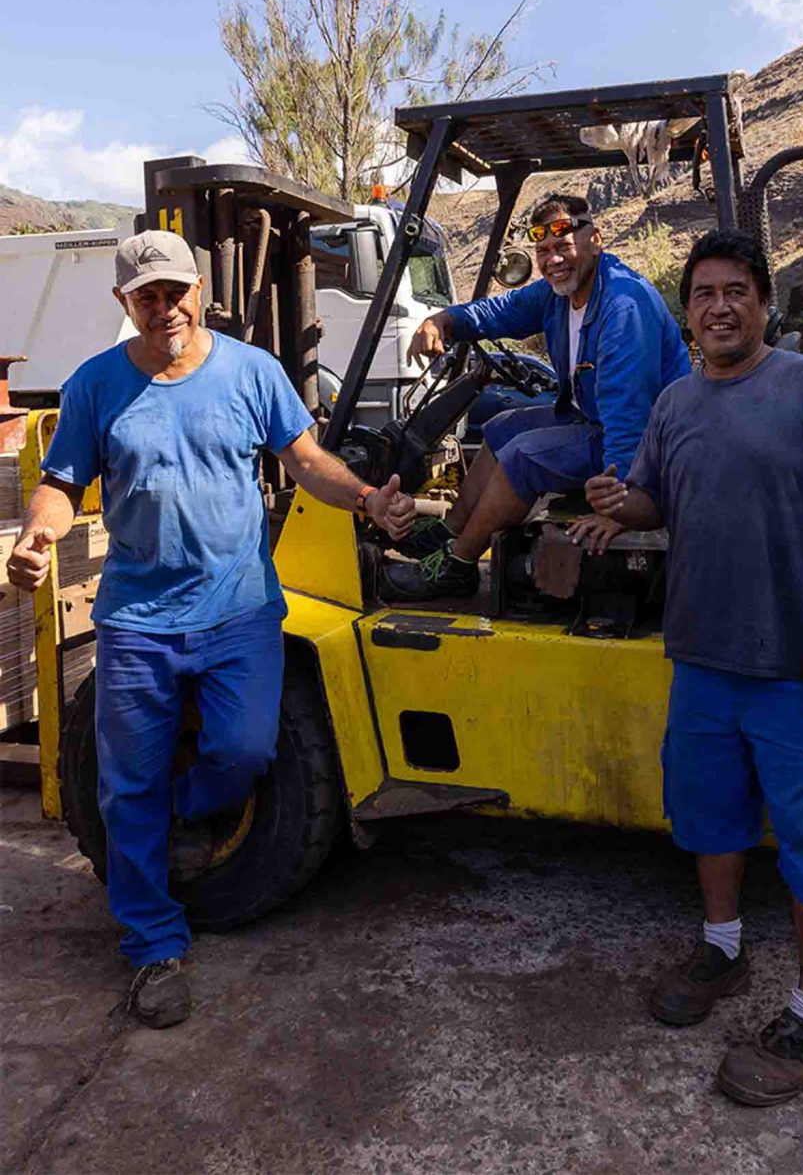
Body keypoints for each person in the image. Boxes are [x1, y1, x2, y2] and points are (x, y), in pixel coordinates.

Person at [6, 231, 417, 1029]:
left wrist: (368, 498)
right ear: (124, 303)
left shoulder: (253, 372)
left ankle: (174, 815)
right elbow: (61, 482)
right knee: (124, 787)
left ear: (200, 289)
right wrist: (36, 535)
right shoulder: (96, 386)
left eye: (175, 292)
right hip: (137, 622)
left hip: (238, 613)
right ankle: (155, 945)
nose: (165, 310)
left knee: (243, 751)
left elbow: (305, 459)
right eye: (147, 297)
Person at [570, 229, 803, 1106]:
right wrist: (615, 506)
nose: (720, 306)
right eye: (705, 293)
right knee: (709, 816)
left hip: (796, 667)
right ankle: (722, 946)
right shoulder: (674, 404)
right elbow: (656, 501)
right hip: (703, 659)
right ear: (689, 311)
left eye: (736, 291)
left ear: (763, 302)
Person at [383, 192, 688, 601]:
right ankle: (450, 527)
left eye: (563, 247)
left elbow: (628, 418)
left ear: (594, 241)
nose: (552, 260)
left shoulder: (623, 308)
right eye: (543, 251)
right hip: (595, 421)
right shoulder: (556, 296)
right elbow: (500, 311)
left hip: (650, 447)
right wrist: (446, 319)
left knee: (524, 455)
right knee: (502, 428)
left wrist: (624, 505)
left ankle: (458, 564)